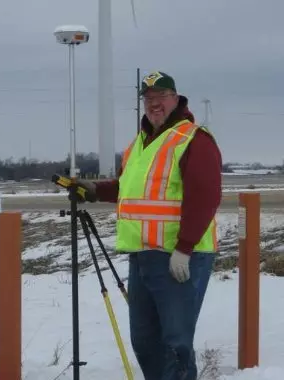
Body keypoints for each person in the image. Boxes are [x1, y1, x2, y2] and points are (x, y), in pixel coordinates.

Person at [75, 71, 222, 380]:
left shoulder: (193, 139)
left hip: (179, 258)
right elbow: (128, 189)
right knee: (145, 342)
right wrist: (94, 190)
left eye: (161, 98)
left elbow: (205, 197)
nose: (154, 105)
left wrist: (184, 248)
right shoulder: (140, 143)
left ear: (176, 99)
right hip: (143, 256)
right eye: (149, 99)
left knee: (174, 344)